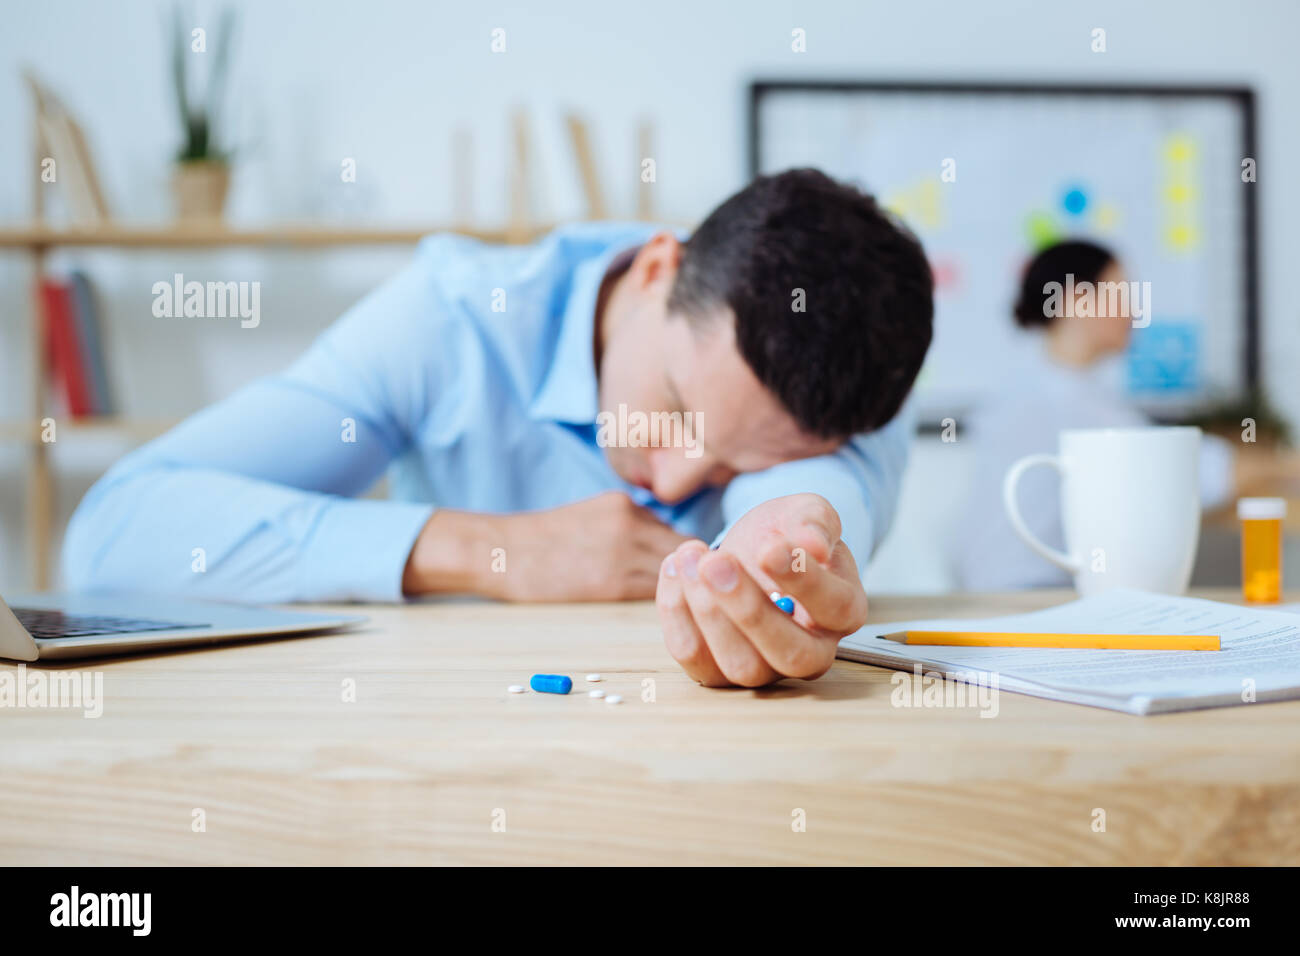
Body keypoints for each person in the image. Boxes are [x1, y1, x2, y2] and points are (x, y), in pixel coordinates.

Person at [63, 168, 935, 687]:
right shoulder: (449, 322)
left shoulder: (853, 378)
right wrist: (484, 549)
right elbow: (112, 533)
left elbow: (815, 503)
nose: (671, 486)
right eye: (673, 412)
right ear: (657, 270)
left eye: (728, 468)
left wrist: (780, 548)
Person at [952, 238, 1287, 591]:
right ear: (1079, 300)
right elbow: (1192, 469)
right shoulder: (1063, 402)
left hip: (1008, 590)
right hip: (1030, 593)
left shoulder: (1039, 388)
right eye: (1121, 294)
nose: (1132, 312)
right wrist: (1285, 465)